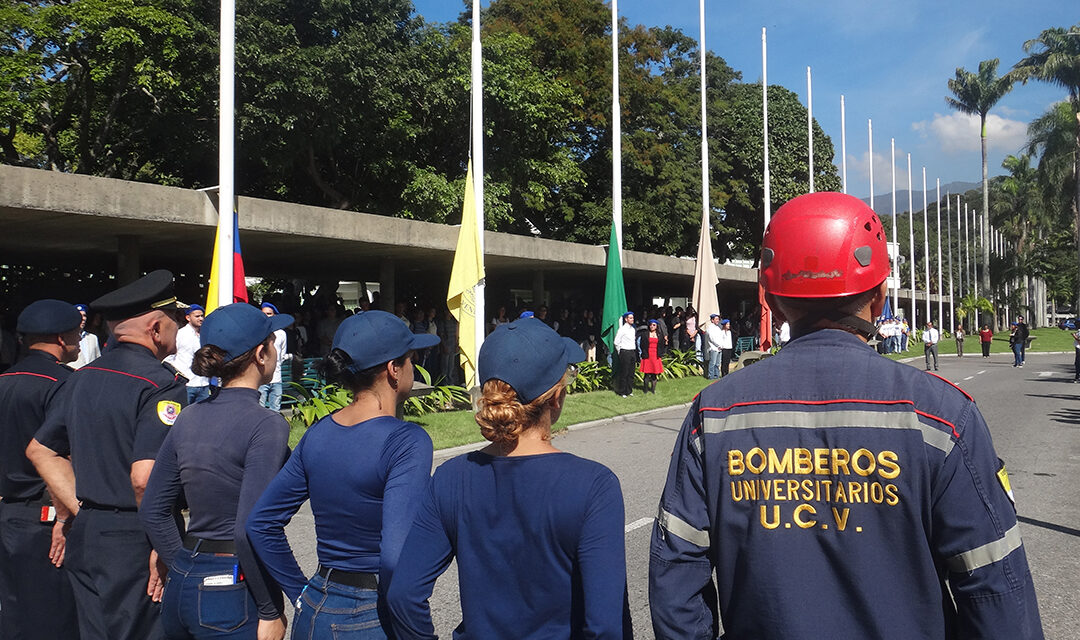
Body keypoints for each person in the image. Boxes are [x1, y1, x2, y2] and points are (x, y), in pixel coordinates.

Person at [649, 192, 1042, 639]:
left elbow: (677, 575)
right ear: (879, 297)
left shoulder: (714, 413)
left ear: (773, 301)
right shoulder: (943, 416)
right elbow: (994, 585)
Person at [386, 318, 631, 638]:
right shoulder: (594, 486)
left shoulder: (451, 478)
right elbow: (605, 628)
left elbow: (403, 595)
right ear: (556, 399)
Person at [246, 310, 439, 638]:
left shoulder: (318, 433)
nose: (413, 366)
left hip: (315, 609)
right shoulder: (406, 441)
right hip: (370, 614)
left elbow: (260, 523)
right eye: (411, 358)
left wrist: (300, 594)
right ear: (394, 369)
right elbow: (395, 559)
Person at [27, 270, 189, 640]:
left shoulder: (81, 377)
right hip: (137, 537)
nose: (177, 329)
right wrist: (161, 543)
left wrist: (82, 509)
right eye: (174, 320)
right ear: (155, 327)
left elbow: (41, 450)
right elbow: (144, 478)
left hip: (90, 532)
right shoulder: (161, 384)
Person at [140, 303, 293, 640]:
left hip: (184, 582)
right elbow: (250, 528)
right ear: (261, 354)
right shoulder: (266, 424)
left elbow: (153, 509)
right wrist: (270, 608)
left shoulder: (190, 416)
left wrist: (179, 565)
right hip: (233, 589)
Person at [0, 300, 82, 640]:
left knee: (13, 614)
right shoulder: (65, 384)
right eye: (77, 334)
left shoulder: (4, 380)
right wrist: (64, 517)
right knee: (53, 617)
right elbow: (65, 455)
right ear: (62, 339)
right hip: (48, 518)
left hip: (8, 513)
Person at [165, 305, 211, 404]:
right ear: (188, 318)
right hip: (187, 384)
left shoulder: (206, 335)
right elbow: (169, 356)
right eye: (197, 316)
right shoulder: (180, 334)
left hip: (204, 384)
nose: (201, 319)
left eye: (202, 316)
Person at [257, 302, 290, 412]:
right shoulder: (257, 332)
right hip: (261, 378)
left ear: (274, 315)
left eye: (269, 314)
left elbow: (282, 355)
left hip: (276, 378)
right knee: (259, 408)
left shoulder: (281, 334)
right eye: (264, 314)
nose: (266, 316)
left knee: (275, 409)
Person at [638, 319, 665, 394]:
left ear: (656, 326)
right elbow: (642, 344)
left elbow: (662, 345)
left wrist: (660, 354)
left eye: (654, 325)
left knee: (654, 374)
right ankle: (645, 390)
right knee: (646, 374)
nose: (652, 326)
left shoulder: (660, 334)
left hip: (656, 355)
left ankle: (653, 390)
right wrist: (643, 353)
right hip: (647, 355)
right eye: (651, 325)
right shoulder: (645, 334)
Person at [71, 304, 102, 369]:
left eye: (84, 315)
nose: (83, 318)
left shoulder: (92, 337)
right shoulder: (68, 337)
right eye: (80, 315)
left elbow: (98, 358)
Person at [613, 311, 636, 397]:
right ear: (626, 319)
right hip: (625, 351)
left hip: (632, 351)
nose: (632, 319)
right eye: (630, 318)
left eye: (632, 318)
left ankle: (629, 390)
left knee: (631, 372)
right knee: (624, 372)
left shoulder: (633, 329)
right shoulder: (622, 329)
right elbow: (616, 342)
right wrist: (620, 351)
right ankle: (622, 391)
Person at [704, 314, 723, 379]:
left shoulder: (718, 327)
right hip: (713, 348)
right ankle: (711, 376)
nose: (718, 320)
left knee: (717, 363)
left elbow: (721, 336)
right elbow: (712, 339)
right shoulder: (710, 328)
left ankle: (716, 376)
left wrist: (722, 345)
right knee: (713, 363)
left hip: (719, 348)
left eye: (718, 319)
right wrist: (718, 345)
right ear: (712, 320)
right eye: (716, 319)